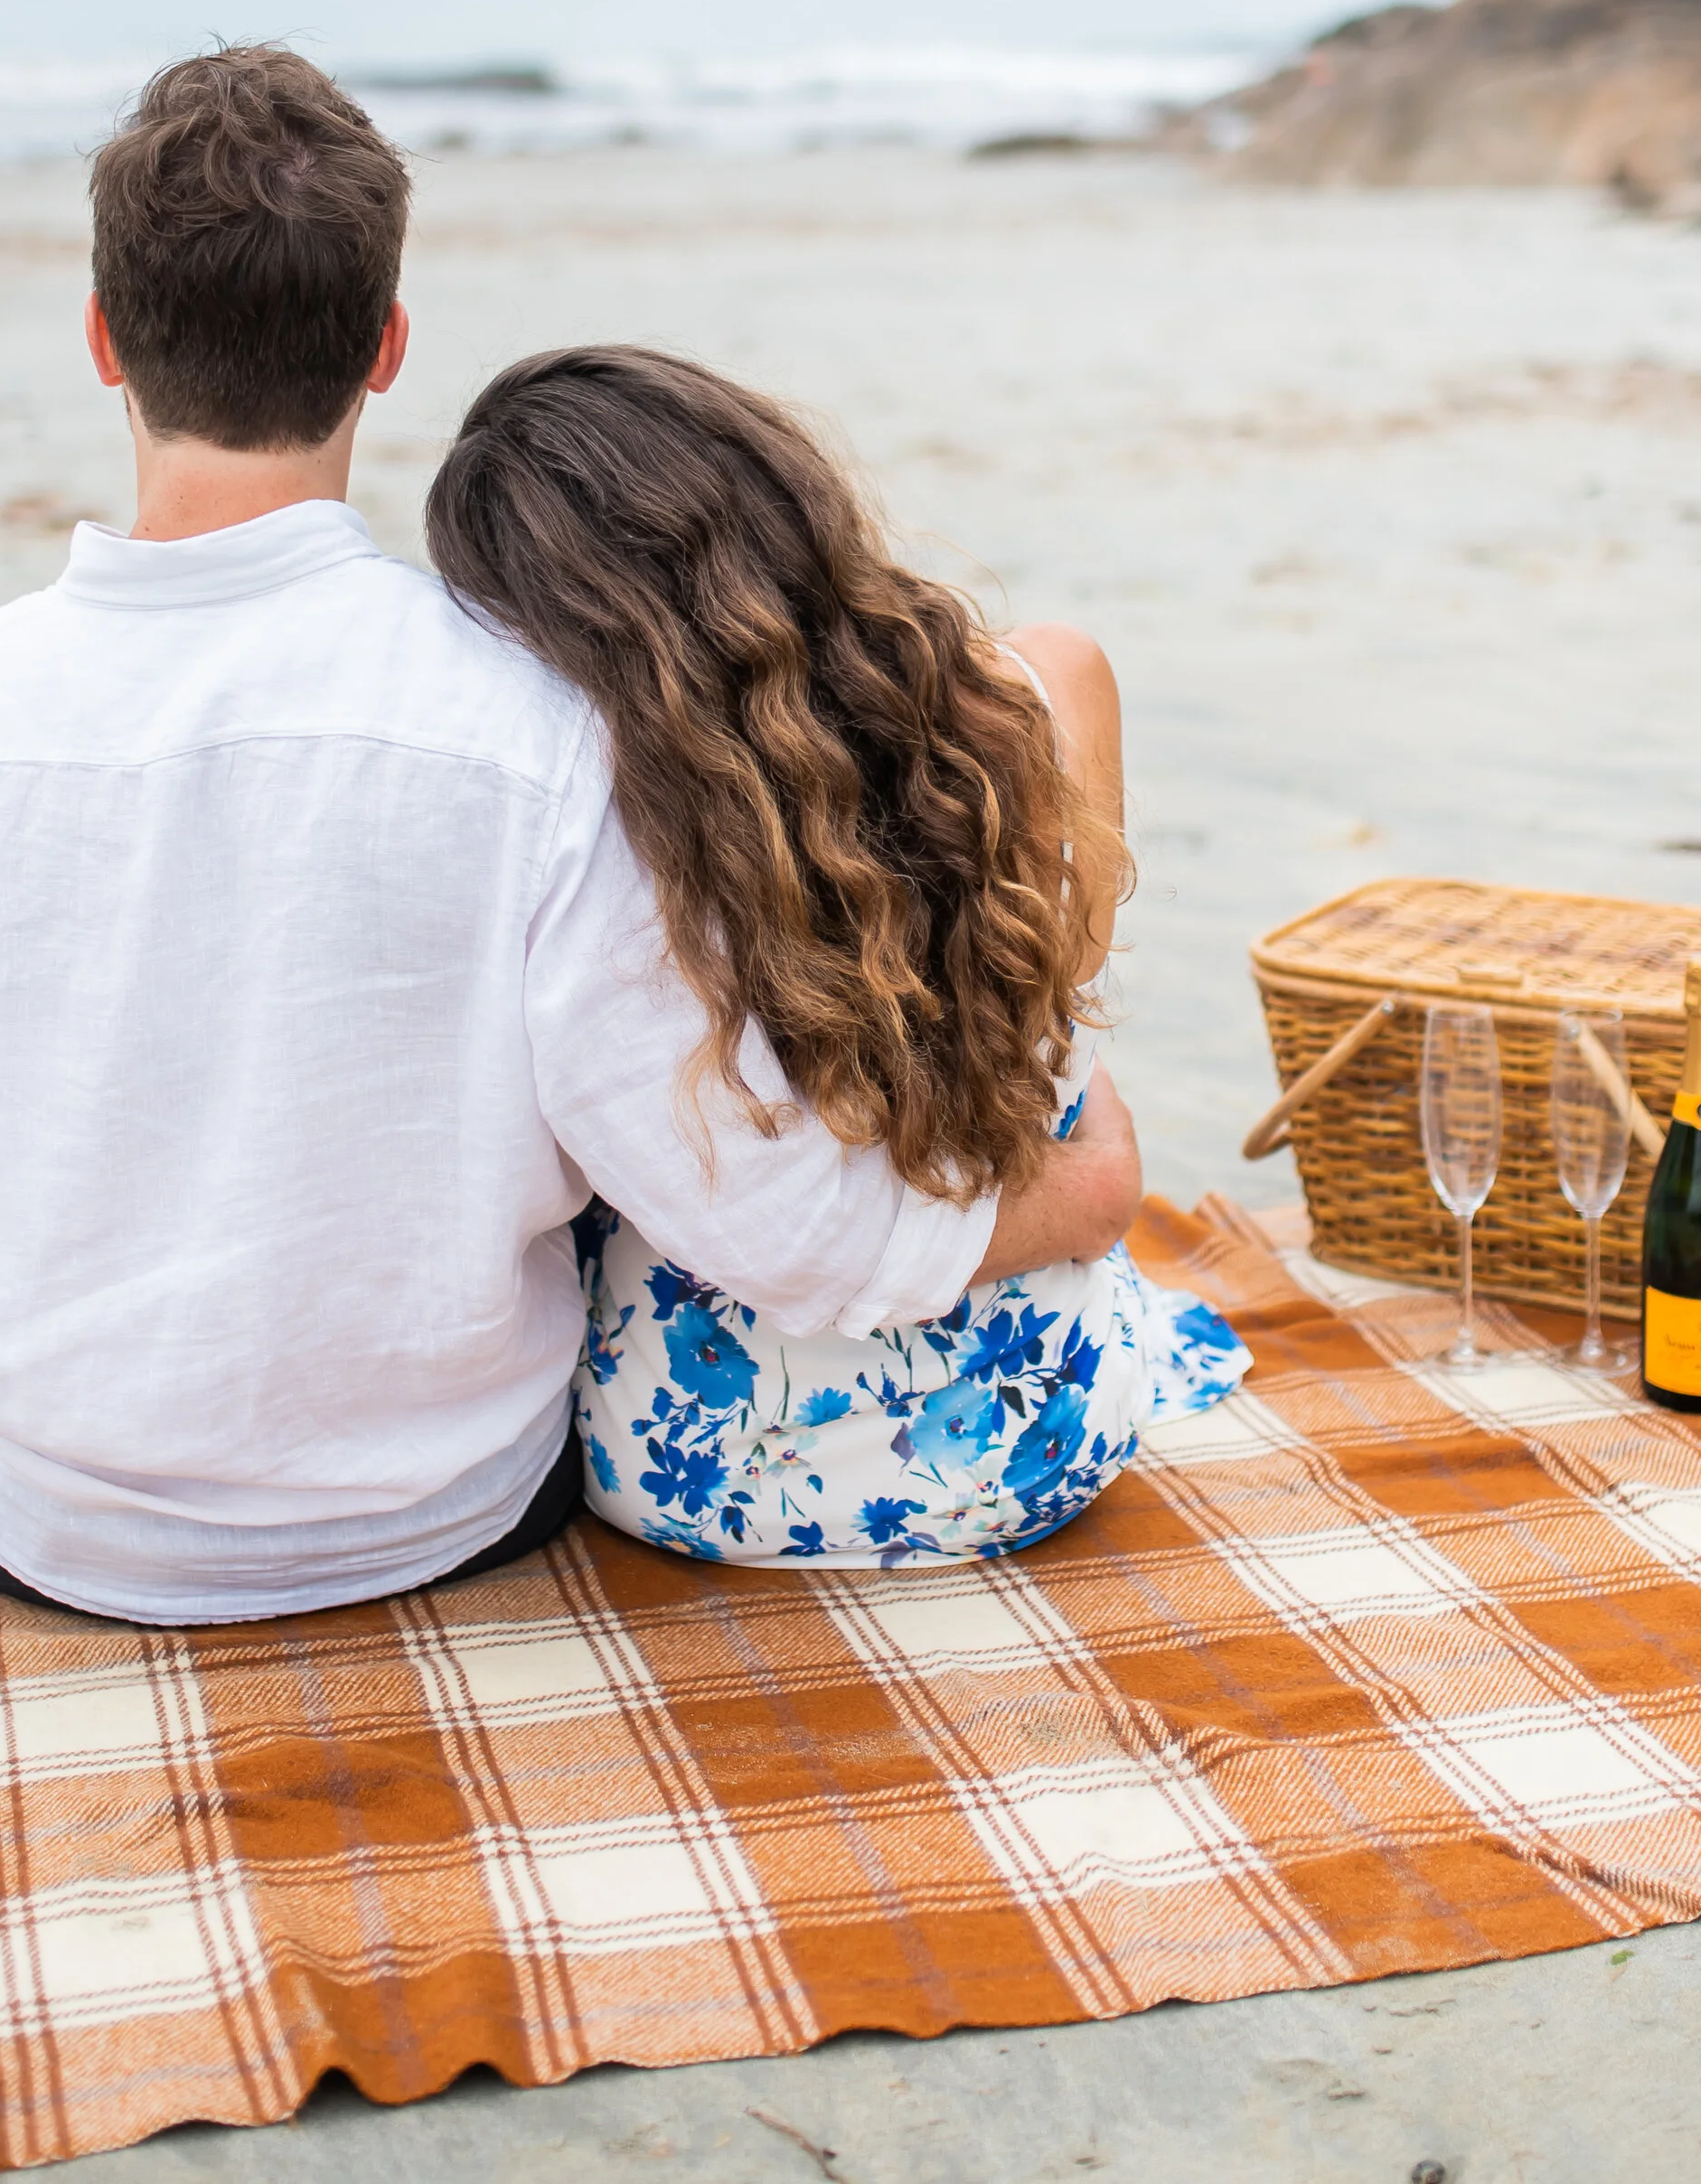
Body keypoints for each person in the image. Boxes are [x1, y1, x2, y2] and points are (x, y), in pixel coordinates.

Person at [0, 44, 1138, 1626]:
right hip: (445, 1506)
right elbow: (773, 1221)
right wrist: (1069, 1198)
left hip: (41, 1527)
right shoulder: (550, 734)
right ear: (386, 349)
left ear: (102, 341)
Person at [424, 345, 1248, 1568]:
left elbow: (780, 1228)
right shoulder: (1043, 694)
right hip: (1055, 1426)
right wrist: (1088, 1192)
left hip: (706, 1477)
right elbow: (1053, 1006)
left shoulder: (616, 859)